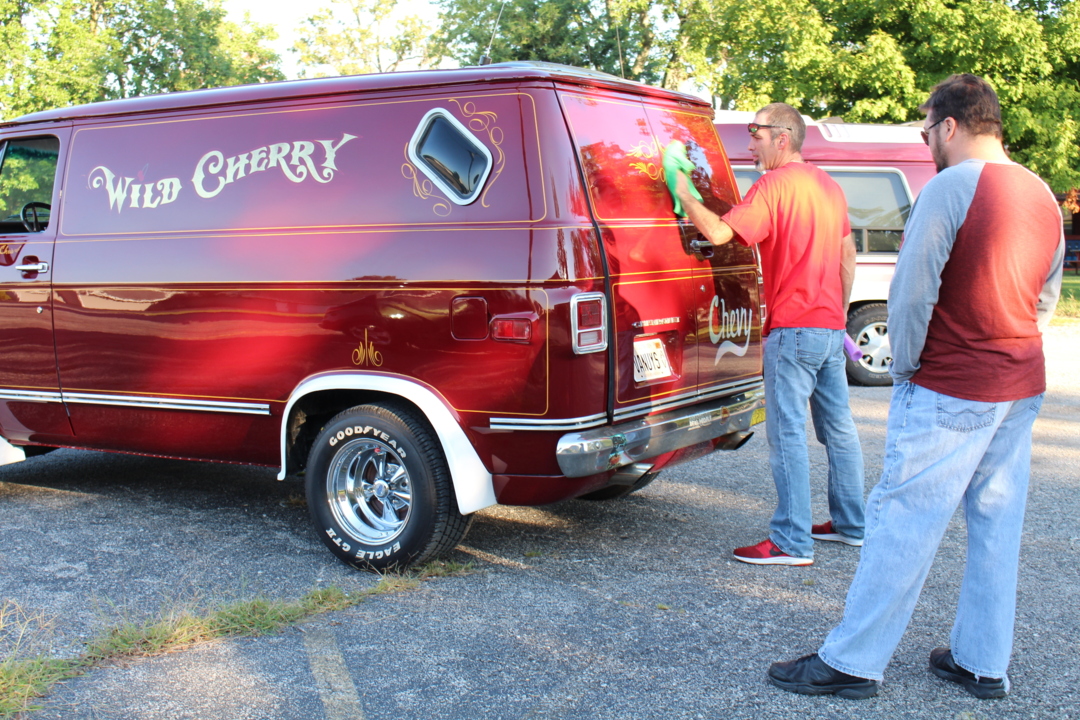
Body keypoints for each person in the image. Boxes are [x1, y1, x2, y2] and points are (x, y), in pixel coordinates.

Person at [766, 74, 1065, 700]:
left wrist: (905, 369)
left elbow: (911, 293)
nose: (926, 139)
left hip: (953, 385)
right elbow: (1045, 298)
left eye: (927, 128)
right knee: (995, 524)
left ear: (950, 126)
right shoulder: (1040, 191)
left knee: (902, 520)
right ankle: (983, 663)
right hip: (1019, 382)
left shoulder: (950, 186)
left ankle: (852, 661)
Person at [671, 102, 865, 566]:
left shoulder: (772, 186)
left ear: (783, 137)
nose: (749, 141)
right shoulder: (828, 186)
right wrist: (836, 315)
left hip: (793, 330)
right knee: (839, 431)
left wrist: (682, 190)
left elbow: (718, 234)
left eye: (756, 132)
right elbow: (847, 258)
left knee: (788, 435)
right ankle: (851, 525)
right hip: (827, 328)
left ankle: (791, 542)